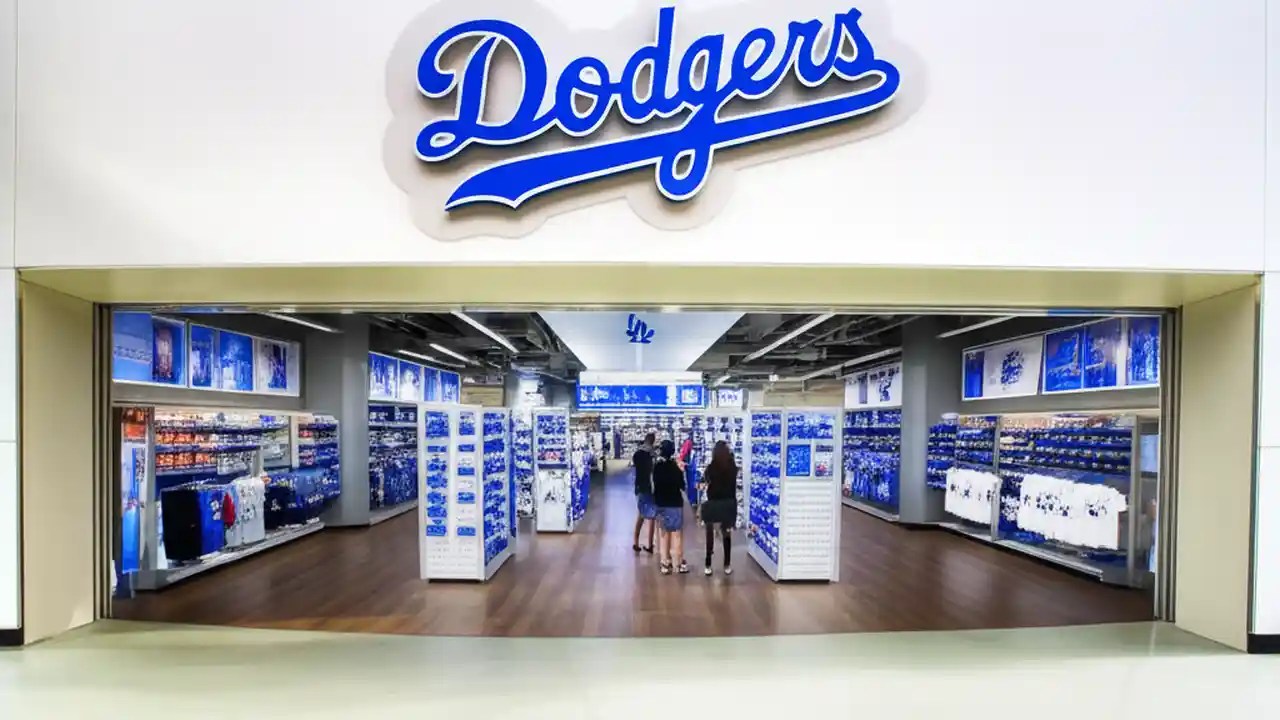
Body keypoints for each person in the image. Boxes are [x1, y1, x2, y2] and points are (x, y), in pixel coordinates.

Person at [699, 441, 738, 576]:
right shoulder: (732, 468)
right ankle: (727, 564)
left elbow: (704, 482)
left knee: (709, 534)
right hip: (728, 504)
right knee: (726, 534)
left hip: (713, 504)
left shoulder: (711, 468)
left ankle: (708, 564)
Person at [652, 439, 689, 574]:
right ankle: (678, 563)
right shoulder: (676, 468)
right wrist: (681, 471)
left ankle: (664, 563)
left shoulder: (657, 467)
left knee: (664, 534)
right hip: (675, 503)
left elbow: (655, 484)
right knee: (677, 534)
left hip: (661, 503)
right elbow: (682, 486)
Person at [631, 433, 656, 553]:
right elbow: (653, 472)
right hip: (650, 487)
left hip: (639, 485)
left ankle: (636, 542)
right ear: (652, 441)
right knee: (652, 516)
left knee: (641, 514)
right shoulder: (652, 454)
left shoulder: (637, 453)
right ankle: (650, 544)